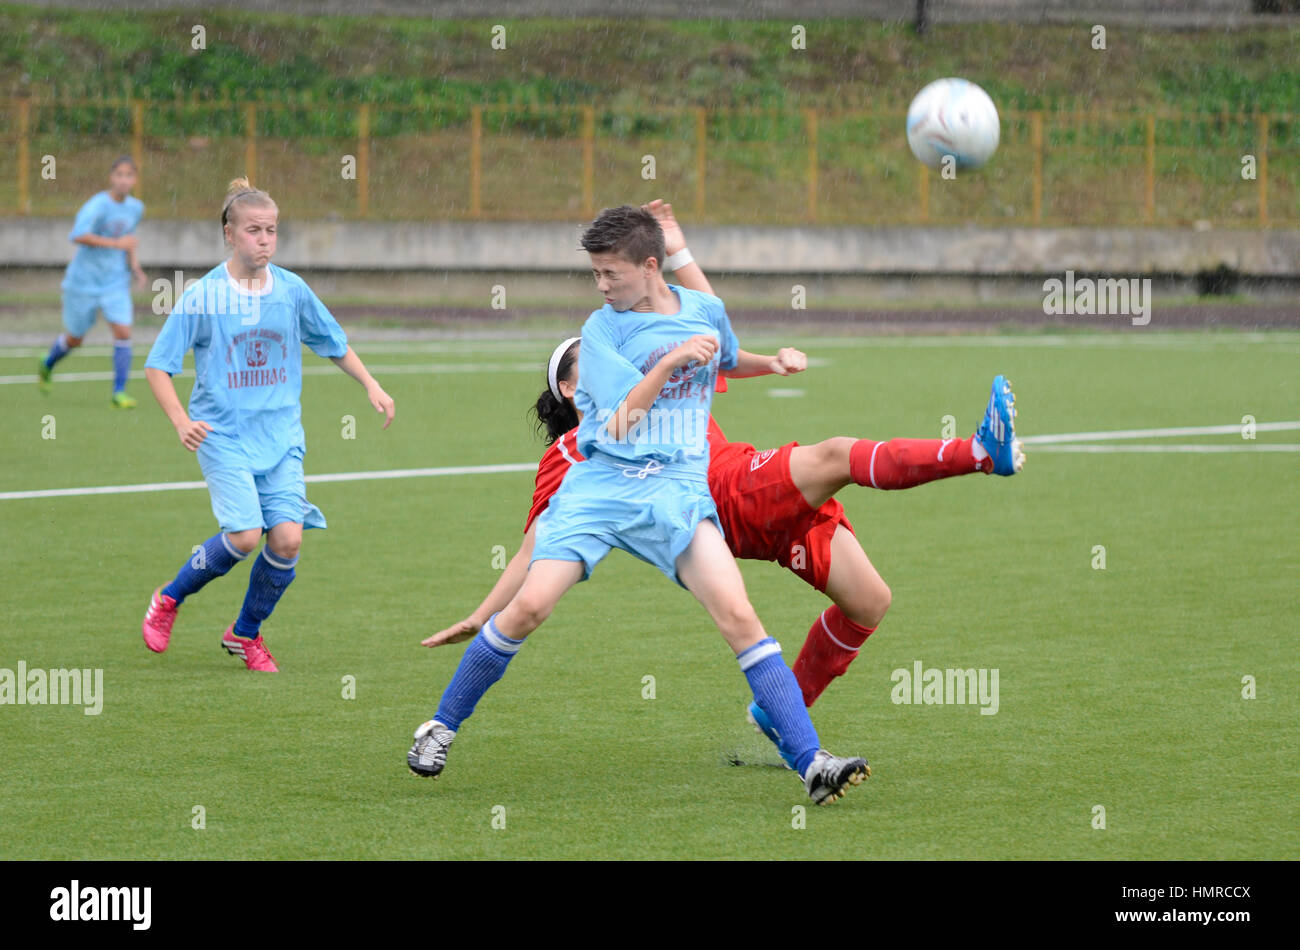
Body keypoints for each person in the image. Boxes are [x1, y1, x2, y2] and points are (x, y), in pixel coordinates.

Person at [423, 200, 1024, 768]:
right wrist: (484, 614)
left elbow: (709, 327)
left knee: (869, 601)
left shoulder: (664, 343)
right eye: (584, 362)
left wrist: (687, 263)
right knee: (835, 454)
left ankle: (778, 711)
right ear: (573, 392)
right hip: (726, 493)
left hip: (751, 488)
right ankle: (976, 451)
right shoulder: (576, 449)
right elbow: (534, 545)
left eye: (613, 275)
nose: (608, 303)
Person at [409, 204, 869, 805]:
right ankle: (440, 726)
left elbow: (724, 358)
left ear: (650, 266)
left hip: (675, 490)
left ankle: (811, 763)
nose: (601, 286)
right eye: (595, 275)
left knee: (739, 616)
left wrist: (770, 363)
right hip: (602, 489)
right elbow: (623, 422)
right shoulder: (603, 331)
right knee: (530, 610)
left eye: (610, 274)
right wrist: (674, 359)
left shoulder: (703, 310)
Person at [139, 177, 395, 672]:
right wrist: (179, 420)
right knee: (243, 536)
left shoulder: (292, 290)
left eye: (272, 231)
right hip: (223, 436)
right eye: (254, 230)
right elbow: (158, 364)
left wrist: (371, 384)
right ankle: (169, 599)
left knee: (288, 540)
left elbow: (332, 340)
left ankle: (245, 635)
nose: (264, 240)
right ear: (229, 235)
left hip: (281, 438)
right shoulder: (205, 296)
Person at [38, 155, 148, 407]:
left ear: (135, 179)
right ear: (111, 177)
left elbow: (128, 237)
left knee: (123, 331)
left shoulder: (136, 208)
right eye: (118, 175)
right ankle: (47, 363)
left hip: (115, 282)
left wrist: (135, 266)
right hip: (84, 282)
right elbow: (77, 235)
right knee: (75, 339)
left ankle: (118, 392)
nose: (123, 180)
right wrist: (114, 244)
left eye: (128, 175)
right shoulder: (96, 206)